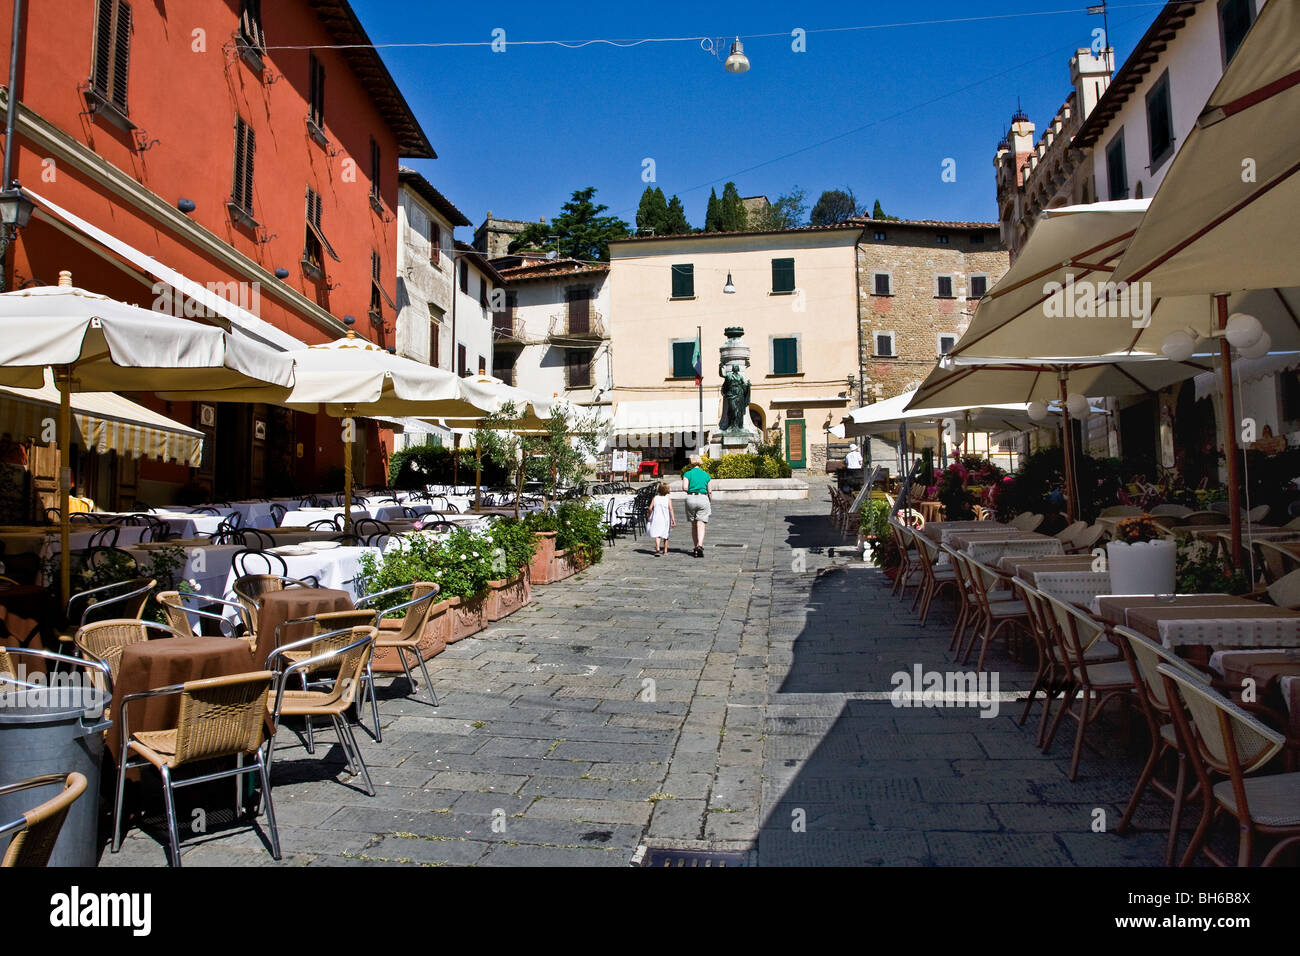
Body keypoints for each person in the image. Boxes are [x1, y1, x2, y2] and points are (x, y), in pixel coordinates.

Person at [681, 454, 713, 558]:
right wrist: (710, 500)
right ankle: (700, 545)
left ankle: (695, 547)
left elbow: (685, 488)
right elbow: (710, 491)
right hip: (703, 498)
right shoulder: (706, 475)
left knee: (694, 525)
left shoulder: (687, 474)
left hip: (691, 498)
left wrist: (692, 487)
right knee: (701, 524)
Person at [645, 481, 676, 556]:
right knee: (665, 534)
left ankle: (658, 549)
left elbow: (650, 508)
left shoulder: (655, 498)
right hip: (665, 518)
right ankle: (665, 551)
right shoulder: (668, 499)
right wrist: (673, 519)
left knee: (657, 534)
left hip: (656, 518)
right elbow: (671, 509)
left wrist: (649, 515)